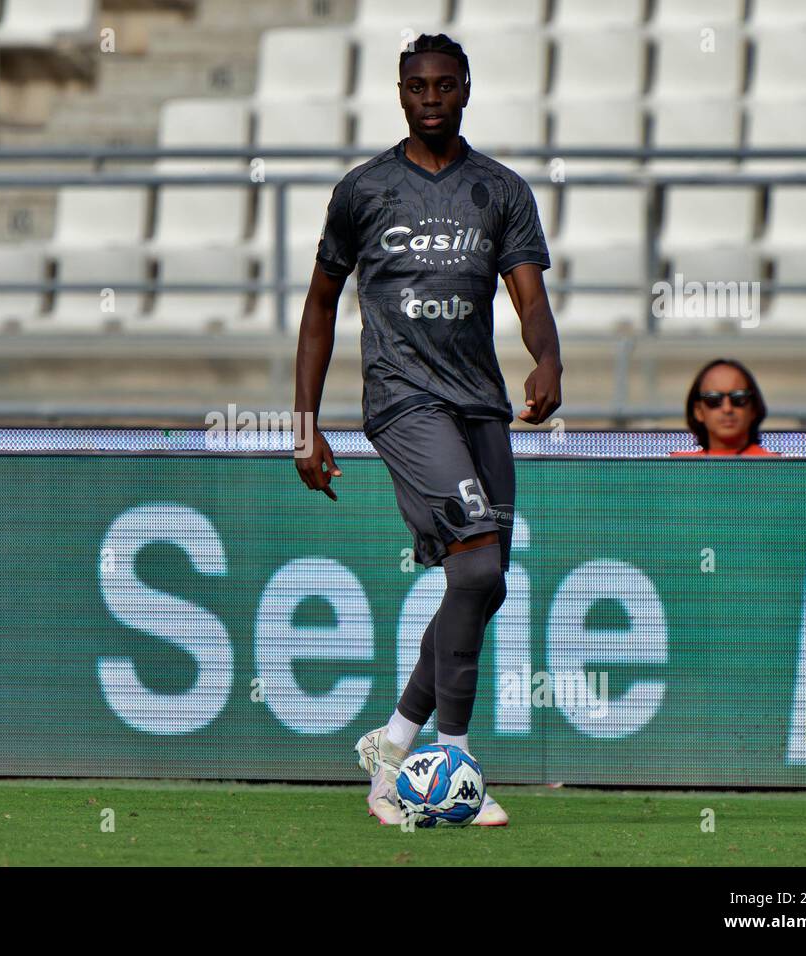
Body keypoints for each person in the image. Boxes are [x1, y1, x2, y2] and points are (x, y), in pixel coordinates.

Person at [292, 34, 563, 826]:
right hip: (405, 403)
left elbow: (531, 300)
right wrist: (305, 426)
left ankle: (394, 746)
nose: (433, 97)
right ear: (401, 94)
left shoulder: (501, 191)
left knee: (486, 586)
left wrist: (545, 360)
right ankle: (455, 763)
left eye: (446, 84)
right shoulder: (364, 191)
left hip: (479, 403)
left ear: (467, 90)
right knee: (476, 574)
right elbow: (318, 306)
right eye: (419, 86)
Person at [672, 359, 778, 457]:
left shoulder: (776, 468)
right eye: (713, 399)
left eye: (738, 398)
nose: (727, 409)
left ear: (753, 408)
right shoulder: (677, 468)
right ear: (698, 411)